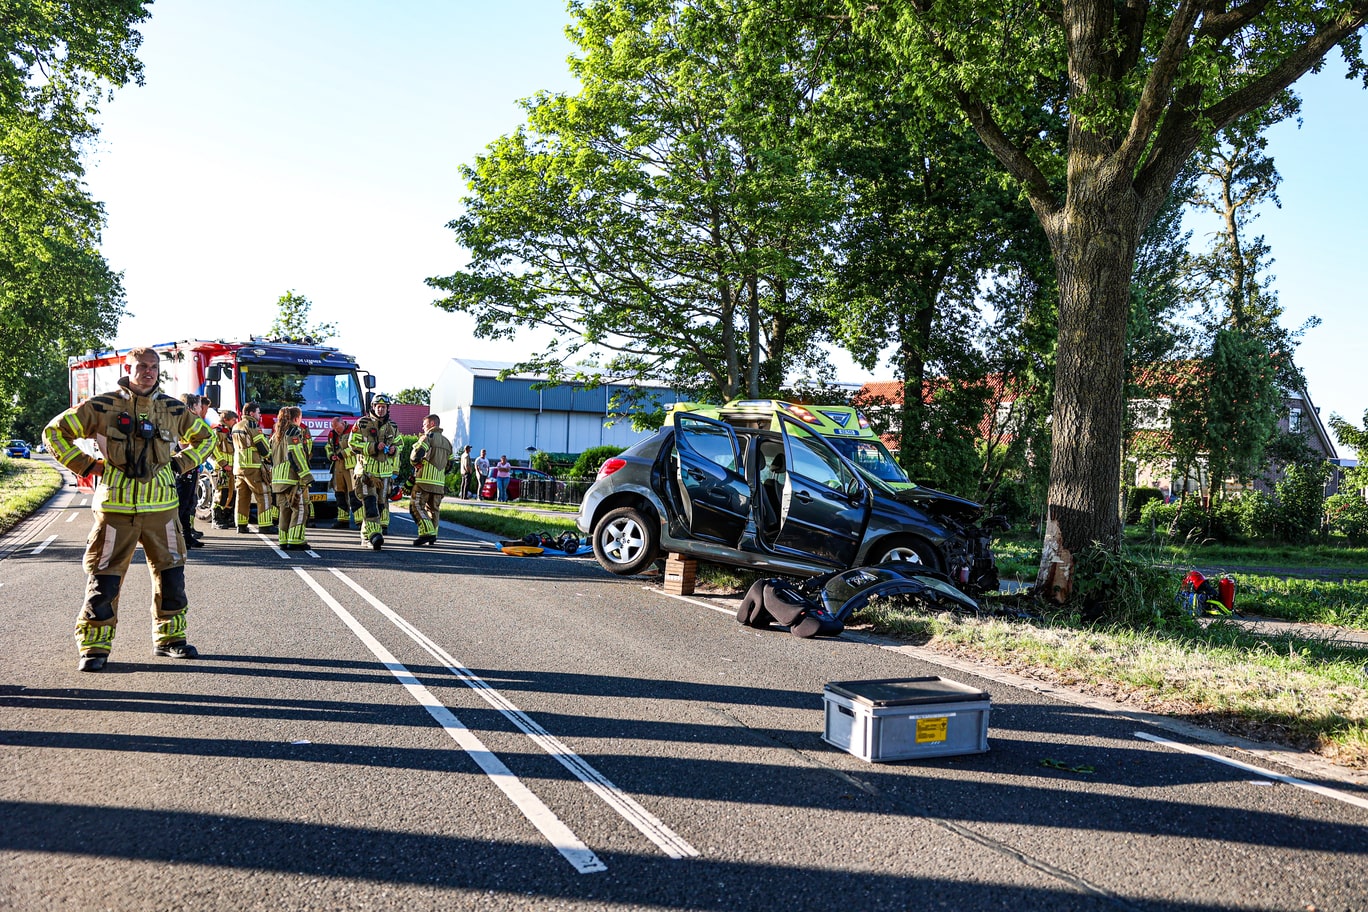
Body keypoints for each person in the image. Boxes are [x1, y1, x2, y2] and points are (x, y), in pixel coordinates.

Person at [43, 346, 215, 672]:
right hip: (115, 510)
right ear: (128, 367)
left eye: (153, 367)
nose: (147, 371)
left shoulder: (172, 409)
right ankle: (94, 648)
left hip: (162, 511)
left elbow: (206, 439)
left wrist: (179, 465)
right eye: (141, 366)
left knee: (171, 577)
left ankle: (171, 640)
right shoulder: (103, 406)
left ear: (158, 370)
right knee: (103, 580)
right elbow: (54, 432)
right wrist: (86, 465)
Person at [349, 394, 398, 549]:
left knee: (380, 506)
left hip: (384, 475)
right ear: (373, 407)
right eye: (379, 406)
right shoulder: (362, 423)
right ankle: (375, 536)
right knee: (370, 505)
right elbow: (352, 444)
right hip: (366, 474)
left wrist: (393, 449)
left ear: (388, 408)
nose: (381, 409)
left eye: (384, 407)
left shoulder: (393, 426)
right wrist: (372, 447)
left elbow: (400, 444)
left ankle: (365, 536)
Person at [269, 406, 314, 550]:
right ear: (296, 418)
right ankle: (295, 540)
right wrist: (306, 476)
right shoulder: (294, 432)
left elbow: (270, 458)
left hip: (278, 479)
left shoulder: (275, 436)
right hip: (292, 478)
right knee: (300, 509)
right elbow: (296, 456)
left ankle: (283, 539)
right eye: (300, 417)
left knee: (284, 510)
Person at [232, 402, 277, 534]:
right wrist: (269, 455)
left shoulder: (236, 425)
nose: (259, 415)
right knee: (264, 495)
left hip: (239, 466)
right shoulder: (252, 425)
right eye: (258, 412)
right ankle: (265, 525)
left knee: (242, 496)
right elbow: (261, 445)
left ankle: (241, 525)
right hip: (253, 466)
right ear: (251, 413)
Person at [409, 414, 453, 545]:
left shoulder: (427, 438)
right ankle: (433, 535)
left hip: (424, 481)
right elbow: (449, 465)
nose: (423, 427)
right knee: (434, 510)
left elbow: (416, 455)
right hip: (439, 483)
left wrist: (415, 463)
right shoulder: (447, 442)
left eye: (425, 424)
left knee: (415, 506)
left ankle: (427, 533)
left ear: (432, 424)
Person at [175, 393, 207, 548]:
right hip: (182, 469)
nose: (201, 408)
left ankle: (187, 536)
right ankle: (179, 538)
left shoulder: (191, 421)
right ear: (193, 407)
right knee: (181, 505)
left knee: (188, 504)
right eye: (200, 405)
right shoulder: (186, 421)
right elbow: (182, 444)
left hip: (190, 468)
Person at [327, 416, 361, 529]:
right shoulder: (332, 434)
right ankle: (342, 520)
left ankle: (360, 520)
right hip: (338, 466)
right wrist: (331, 455)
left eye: (337, 427)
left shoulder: (353, 430)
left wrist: (343, 454)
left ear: (343, 423)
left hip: (350, 466)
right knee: (339, 494)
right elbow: (328, 446)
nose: (336, 430)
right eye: (334, 428)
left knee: (354, 494)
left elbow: (356, 446)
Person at [209, 409, 239, 529]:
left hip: (231, 469)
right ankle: (216, 519)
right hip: (222, 469)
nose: (235, 422)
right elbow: (214, 449)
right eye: (233, 420)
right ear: (226, 420)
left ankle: (226, 518)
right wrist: (223, 464)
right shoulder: (218, 431)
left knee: (231, 494)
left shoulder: (230, 432)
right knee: (221, 494)